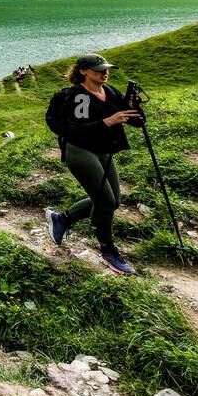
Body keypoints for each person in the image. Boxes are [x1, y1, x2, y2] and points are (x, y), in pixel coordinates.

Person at [45, 53, 141, 274]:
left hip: (103, 151)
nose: (104, 73)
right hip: (80, 151)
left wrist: (135, 106)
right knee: (105, 201)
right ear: (83, 71)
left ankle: (62, 219)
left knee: (113, 201)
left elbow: (133, 120)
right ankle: (108, 251)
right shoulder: (78, 97)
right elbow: (73, 130)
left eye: (106, 69)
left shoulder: (110, 91)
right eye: (98, 69)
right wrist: (108, 122)